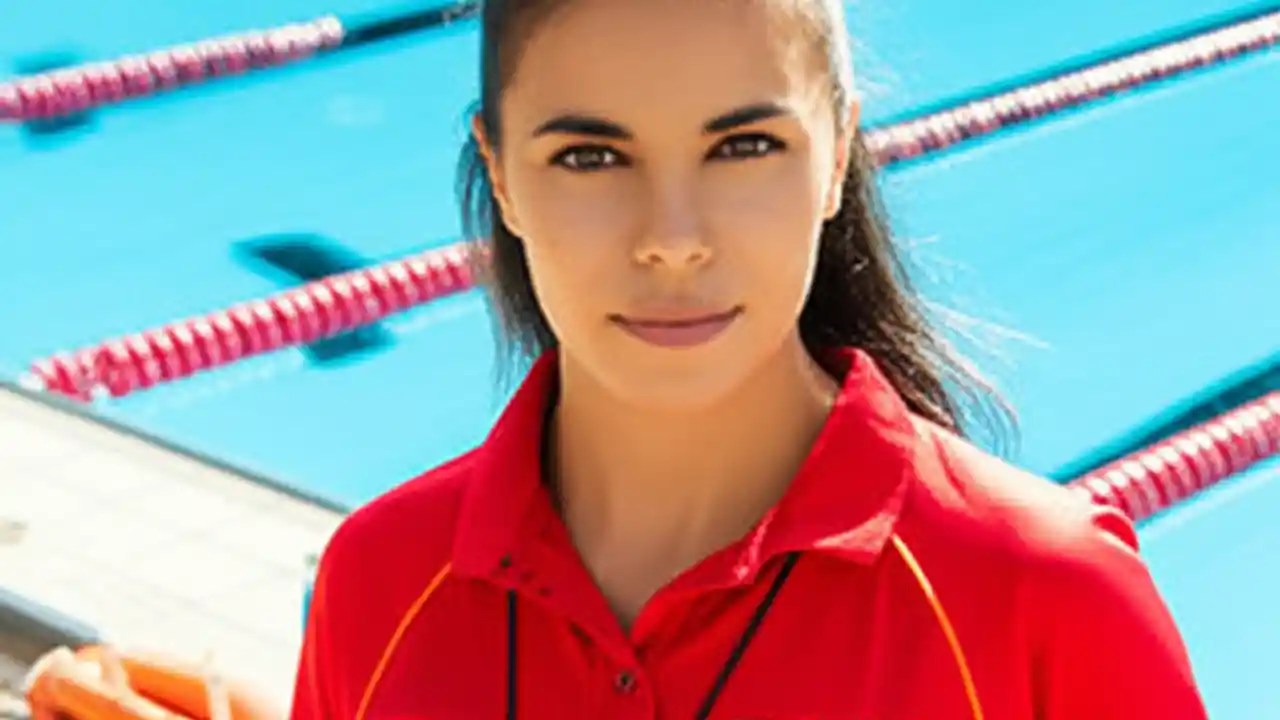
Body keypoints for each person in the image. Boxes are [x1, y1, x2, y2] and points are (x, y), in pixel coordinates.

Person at [290, 0, 1208, 717]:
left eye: (744, 147)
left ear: (838, 153)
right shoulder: (382, 583)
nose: (672, 239)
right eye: (590, 157)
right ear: (501, 177)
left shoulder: (1039, 600)